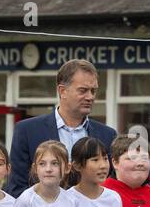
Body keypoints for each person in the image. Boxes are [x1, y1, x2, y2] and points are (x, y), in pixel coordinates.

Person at [6, 59, 116, 198]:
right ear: (62, 91)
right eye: (83, 90)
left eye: (93, 91)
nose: (90, 97)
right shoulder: (27, 131)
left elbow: (111, 186)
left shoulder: (107, 135)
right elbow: (17, 188)